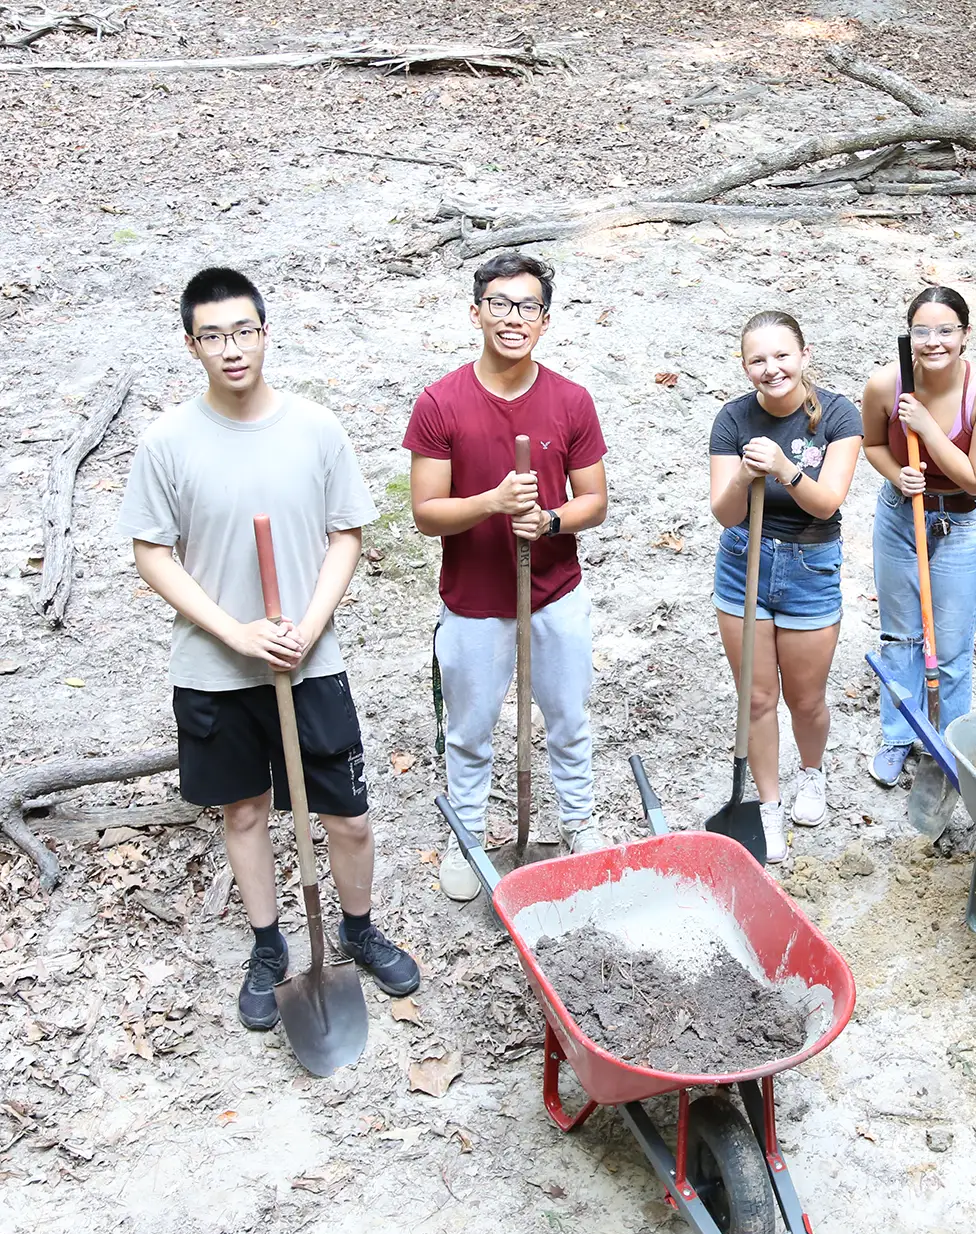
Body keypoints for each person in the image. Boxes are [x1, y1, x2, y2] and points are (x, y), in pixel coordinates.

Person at [118, 266, 420, 1033]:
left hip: (311, 660)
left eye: (242, 331)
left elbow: (346, 533)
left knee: (347, 815)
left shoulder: (315, 429)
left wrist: (310, 624)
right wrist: (236, 631)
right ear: (192, 345)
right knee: (246, 813)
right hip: (217, 669)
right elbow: (152, 553)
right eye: (212, 335)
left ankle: (358, 929)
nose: (230, 348)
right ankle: (267, 946)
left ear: (265, 333)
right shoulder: (167, 442)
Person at [405, 252, 610, 901]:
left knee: (567, 716)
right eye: (499, 303)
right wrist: (491, 503)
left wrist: (549, 521)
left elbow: (595, 502)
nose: (512, 317)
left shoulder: (571, 401)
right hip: (473, 601)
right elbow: (427, 513)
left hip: (554, 594)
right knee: (468, 729)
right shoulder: (441, 403)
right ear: (476, 312)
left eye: (526, 306)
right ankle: (470, 835)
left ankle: (577, 820)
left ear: (544, 321)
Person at [707, 312, 863, 862]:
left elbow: (828, 502)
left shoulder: (839, 416)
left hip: (810, 566)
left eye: (781, 356)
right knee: (755, 698)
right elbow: (725, 514)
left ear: (804, 355)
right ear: (744, 365)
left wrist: (783, 469)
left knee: (806, 698)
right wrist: (744, 477)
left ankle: (812, 774)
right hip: (743, 562)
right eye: (757, 360)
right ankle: (768, 807)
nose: (770, 369)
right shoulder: (732, 418)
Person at [860, 286, 976, 785]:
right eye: (922, 331)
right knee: (900, 635)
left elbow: (974, 477)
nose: (933, 342)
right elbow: (874, 445)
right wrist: (894, 474)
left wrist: (926, 428)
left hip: (962, 522)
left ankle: (949, 745)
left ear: (965, 335)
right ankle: (898, 735)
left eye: (946, 330)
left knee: (949, 646)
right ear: (910, 336)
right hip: (902, 518)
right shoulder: (886, 387)